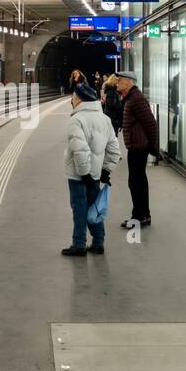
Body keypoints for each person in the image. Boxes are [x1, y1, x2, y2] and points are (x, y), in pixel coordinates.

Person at [63, 81, 120, 257]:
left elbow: (80, 150)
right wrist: (105, 171)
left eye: (74, 97)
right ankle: (98, 242)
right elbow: (114, 149)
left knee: (79, 208)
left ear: (79, 99)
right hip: (95, 174)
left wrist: (84, 173)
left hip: (79, 175)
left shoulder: (76, 120)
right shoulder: (105, 119)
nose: (72, 99)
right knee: (94, 208)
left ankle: (79, 244)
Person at [114, 71, 160, 228]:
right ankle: (142, 215)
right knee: (137, 181)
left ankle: (140, 216)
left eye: (120, 80)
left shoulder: (136, 99)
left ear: (129, 82)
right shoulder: (130, 98)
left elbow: (151, 124)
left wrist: (153, 147)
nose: (117, 82)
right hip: (135, 146)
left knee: (136, 182)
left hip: (139, 147)